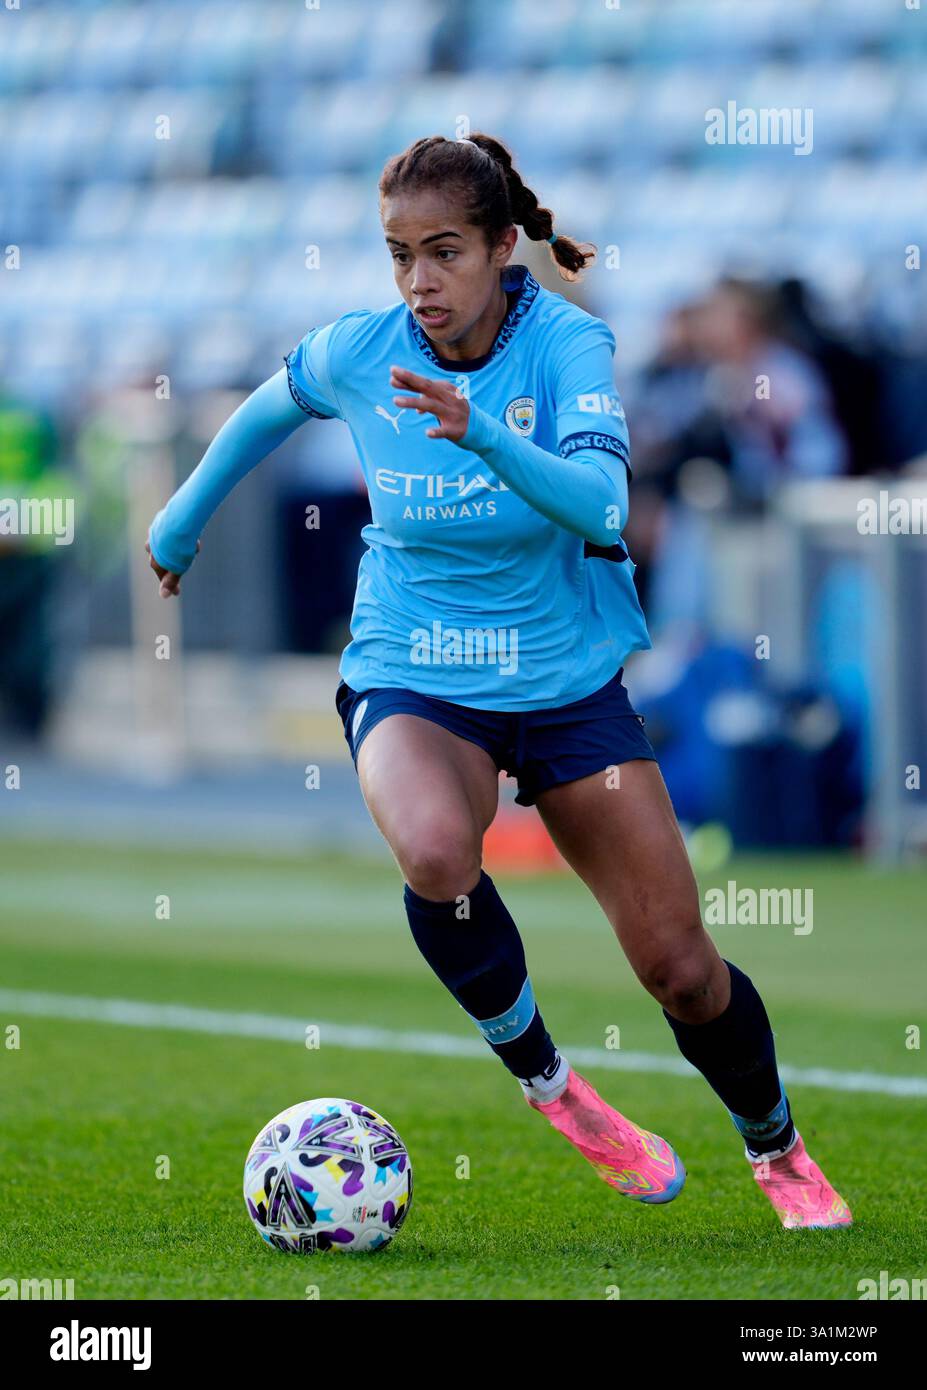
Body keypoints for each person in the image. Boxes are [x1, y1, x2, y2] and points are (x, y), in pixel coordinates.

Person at [147, 133, 851, 1230]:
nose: (419, 282)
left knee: (681, 970)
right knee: (435, 852)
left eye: (442, 253)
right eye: (397, 255)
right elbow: (264, 409)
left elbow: (604, 508)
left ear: (500, 248)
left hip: (567, 684)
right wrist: (180, 522)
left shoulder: (569, 344)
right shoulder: (364, 349)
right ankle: (557, 1089)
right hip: (414, 669)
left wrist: (483, 435)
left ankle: (777, 1147)